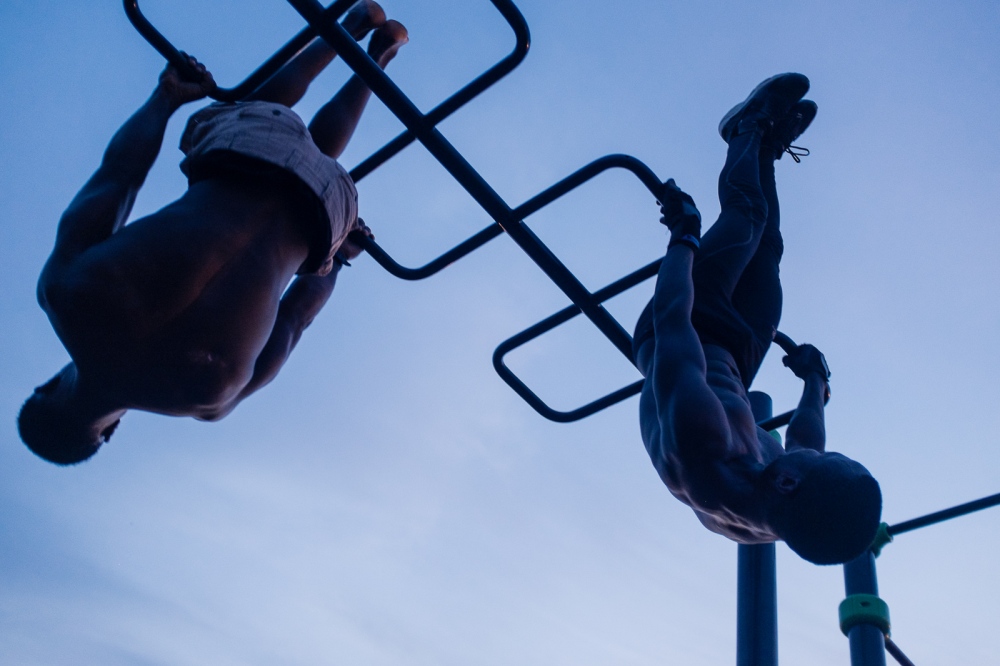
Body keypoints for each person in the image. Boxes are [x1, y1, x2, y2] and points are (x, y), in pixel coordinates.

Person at [18, 1, 408, 465]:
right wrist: (166, 97)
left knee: (310, 178)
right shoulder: (65, 295)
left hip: (327, 212)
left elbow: (296, 318)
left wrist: (341, 258)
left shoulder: (211, 401)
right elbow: (118, 177)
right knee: (253, 114)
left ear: (110, 431)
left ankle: (379, 56)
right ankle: (351, 27)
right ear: (47, 387)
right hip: (245, 152)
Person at [633, 73, 881, 565]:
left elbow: (671, 321)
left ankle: (745, 128)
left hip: (685, 329)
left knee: (746, 217)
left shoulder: (700, 443)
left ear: (790, 482)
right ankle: (766, 150)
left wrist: (684, 234)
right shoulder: (786, 507)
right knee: (769, 248)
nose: (818, 451)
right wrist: (816, 382)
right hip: (736, 361)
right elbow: (805, 444)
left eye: (825, 462)